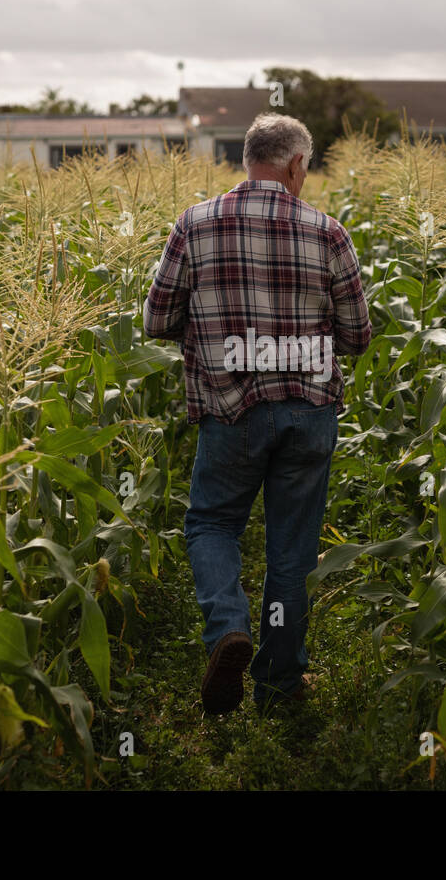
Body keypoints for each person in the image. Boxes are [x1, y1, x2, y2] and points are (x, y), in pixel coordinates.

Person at [143, 113, 372, 714]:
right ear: (296, 164)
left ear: (248, 159)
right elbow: (356, 335)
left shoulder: (194, 225)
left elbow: (156, 320)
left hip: (230, 410)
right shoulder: (329, 234)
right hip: (309, 412)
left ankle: (227, 630)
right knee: (292, 551)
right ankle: (279, 686)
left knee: (213, 524)